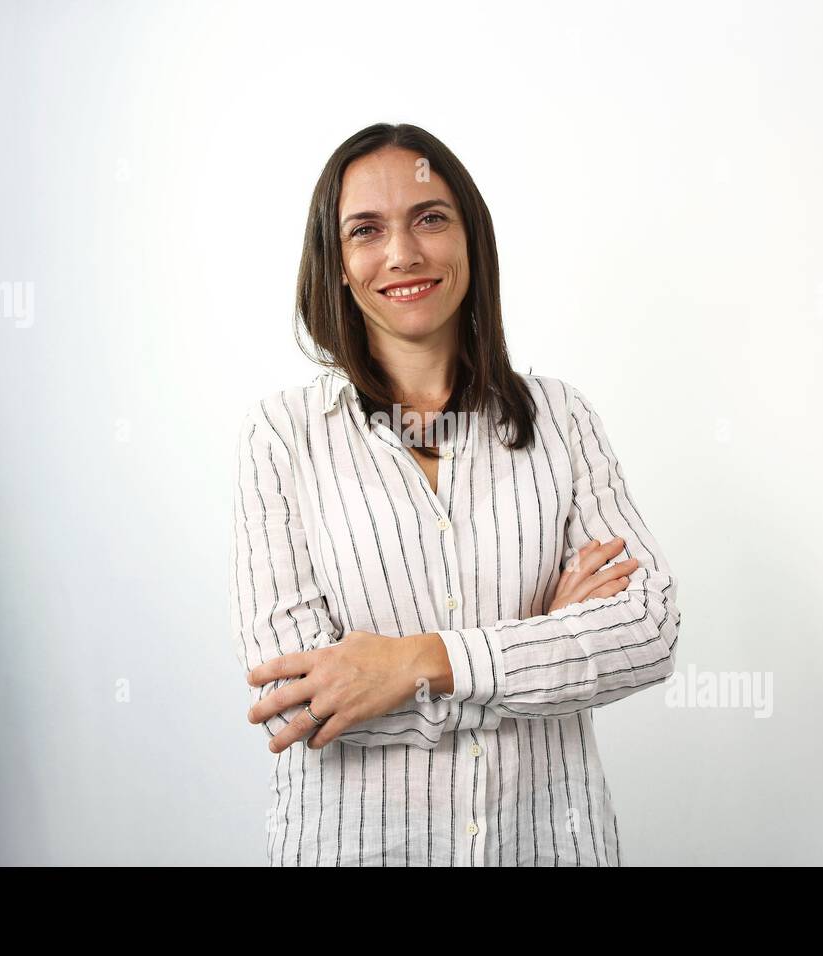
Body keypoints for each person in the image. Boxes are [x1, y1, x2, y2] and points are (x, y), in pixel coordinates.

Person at [229, 123, 681, 866]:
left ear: (472, 240)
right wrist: (543, 640)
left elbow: (648, 630)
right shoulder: (281, 436)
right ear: (337, 265)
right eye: (366, 230)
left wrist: (415, 663)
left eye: (430, 218)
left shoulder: (562, 418)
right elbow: (302, 703)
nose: (403, 253)